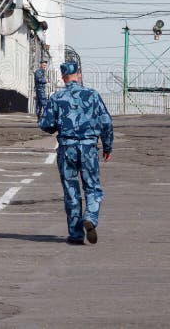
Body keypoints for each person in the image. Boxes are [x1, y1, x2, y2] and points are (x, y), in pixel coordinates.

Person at [38, 61, 113, 245]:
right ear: (78, 75)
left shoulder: (57, 97)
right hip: (88, 148)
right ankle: (90, 217)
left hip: (67, 148)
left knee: (71, 190)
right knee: (92, 187)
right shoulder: (92, 95)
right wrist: (107, 146)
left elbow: (46, 125)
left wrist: (59, 125)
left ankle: (76, 234)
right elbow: (106, 122)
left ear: (63, 78)